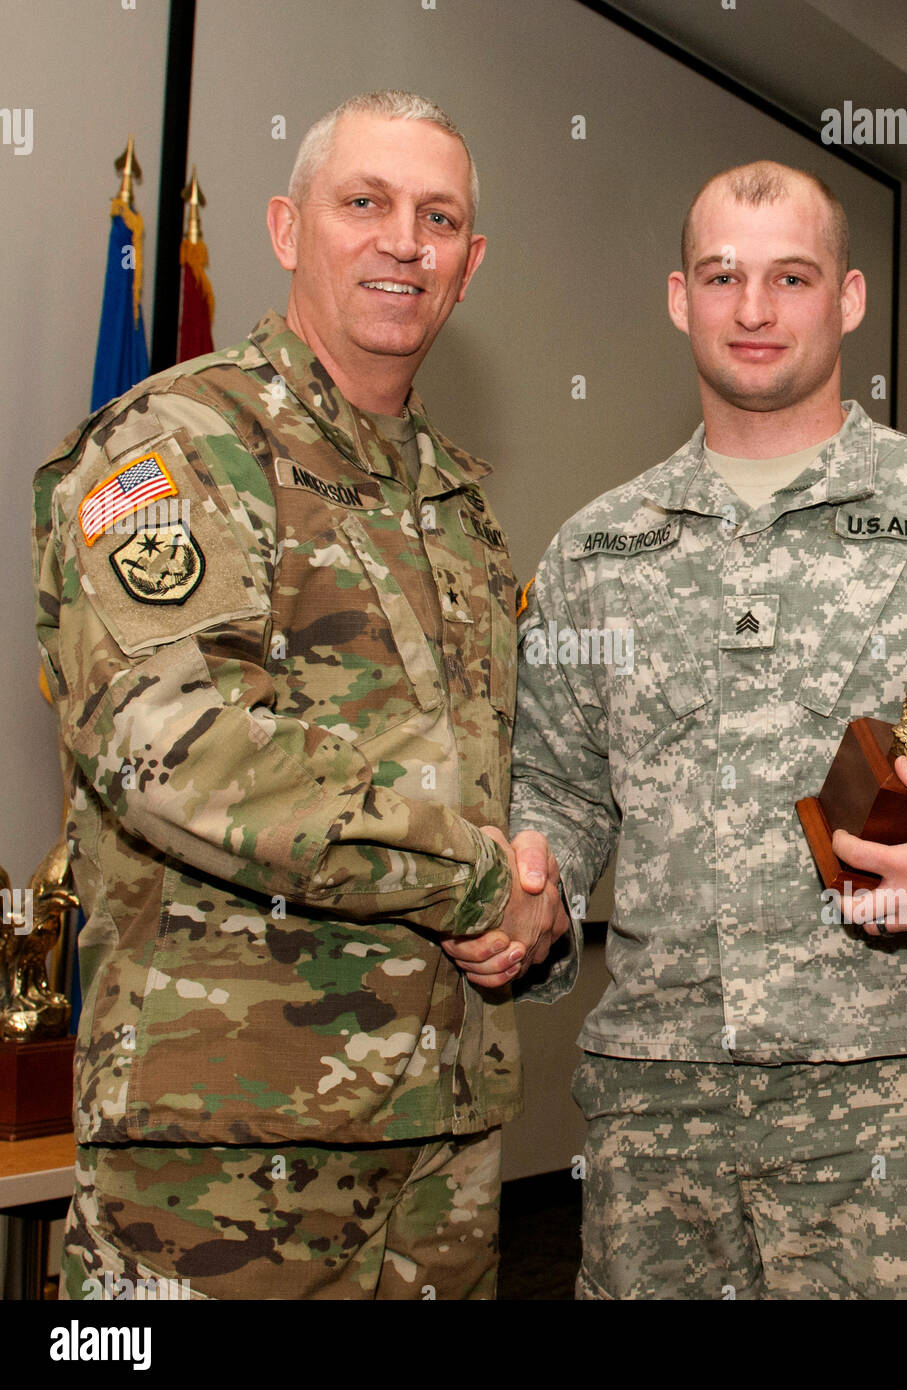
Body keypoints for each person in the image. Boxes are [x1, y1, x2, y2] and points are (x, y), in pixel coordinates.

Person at [444, 161, 907, 1299]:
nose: (755, 309)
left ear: (849, 299)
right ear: (681, 299)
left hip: (905, 1123)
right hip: (659, 1126)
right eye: (722, 276)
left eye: (791, 277)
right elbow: (562, 794)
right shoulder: (598, 551)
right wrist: (534, 892)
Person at [33, 89, 566, 1302]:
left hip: (441, 1146)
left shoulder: (461, 512)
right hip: (223, 1160)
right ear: (287, 228)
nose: (403, 241)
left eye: (439, 218)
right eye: (364, 203)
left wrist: (538, 910)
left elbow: (485, 783)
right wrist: (475, 878)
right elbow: (173, 742)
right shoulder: (169, 446)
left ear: (468, 266)